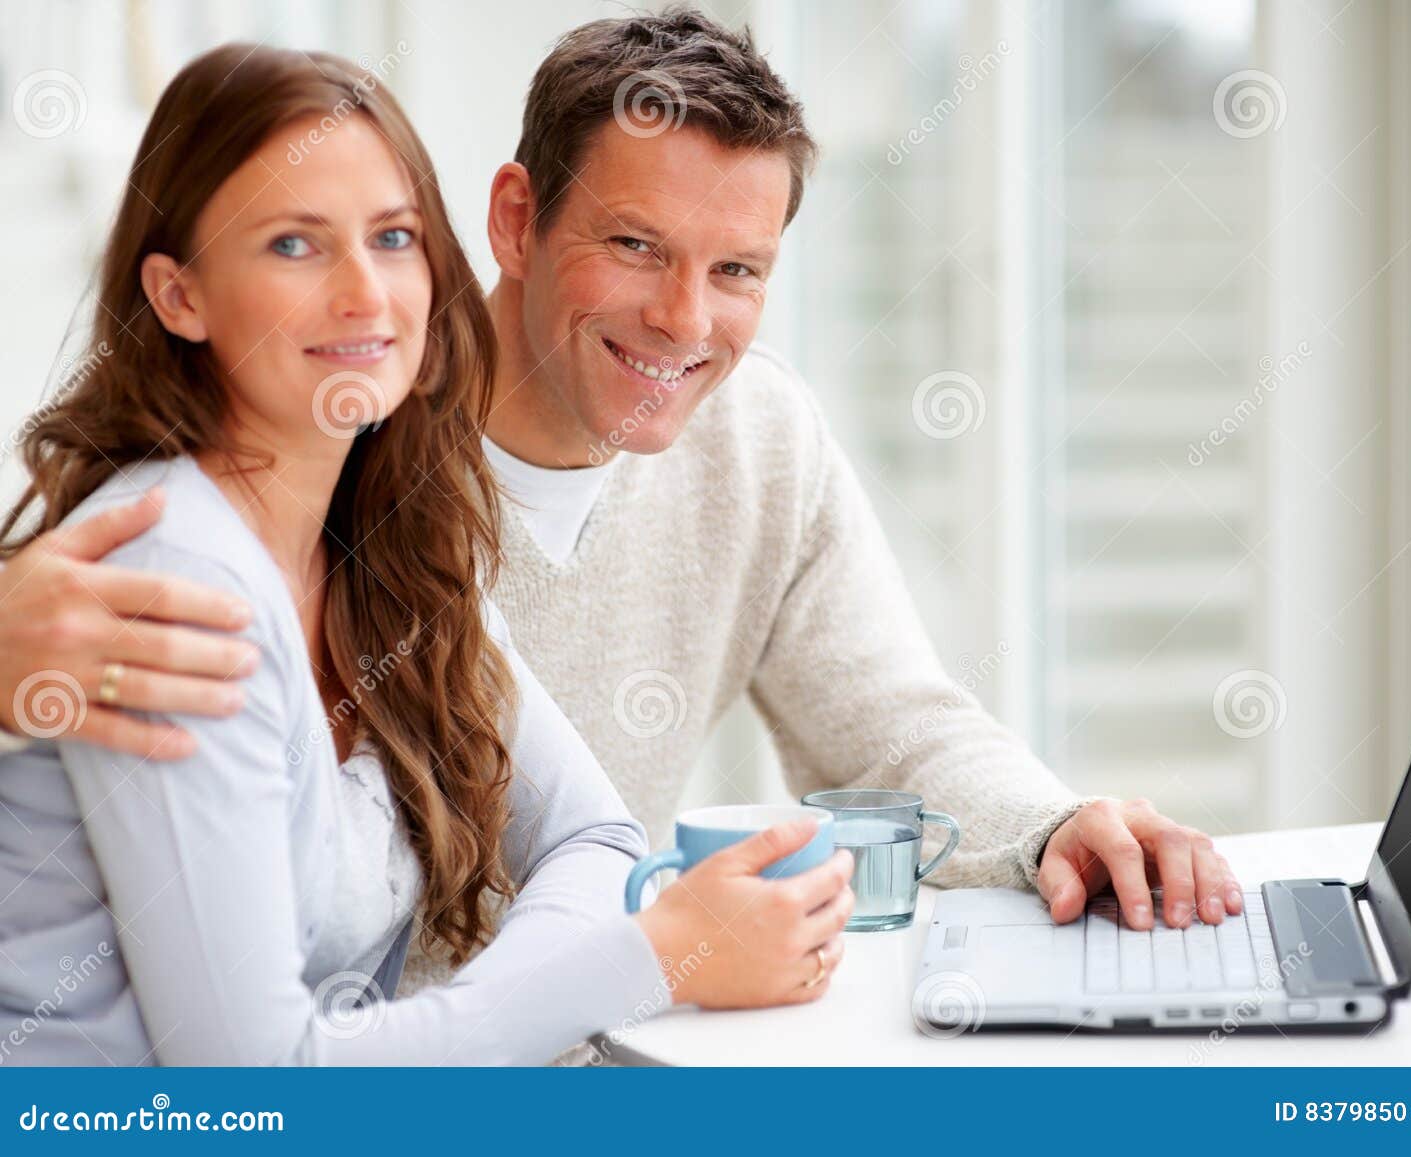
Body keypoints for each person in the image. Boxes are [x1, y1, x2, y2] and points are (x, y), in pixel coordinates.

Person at [0, 9, 1243, 1003]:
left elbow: (887, 724)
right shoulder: (345, 445)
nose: (684, 322)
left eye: (737, 270)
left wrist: (1054, 827)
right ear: (511, 221)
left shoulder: (757, 439)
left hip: (589, 1034)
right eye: (637, 247)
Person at [0, 43, 853, 1066]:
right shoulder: (175, 578)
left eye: (393, 237)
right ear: (180, 297)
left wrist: (516, 1004)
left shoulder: (388, 540)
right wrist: (645, 959)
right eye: (292, 245)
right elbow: (262, 1088)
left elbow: (595, 837)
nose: (366, 293)